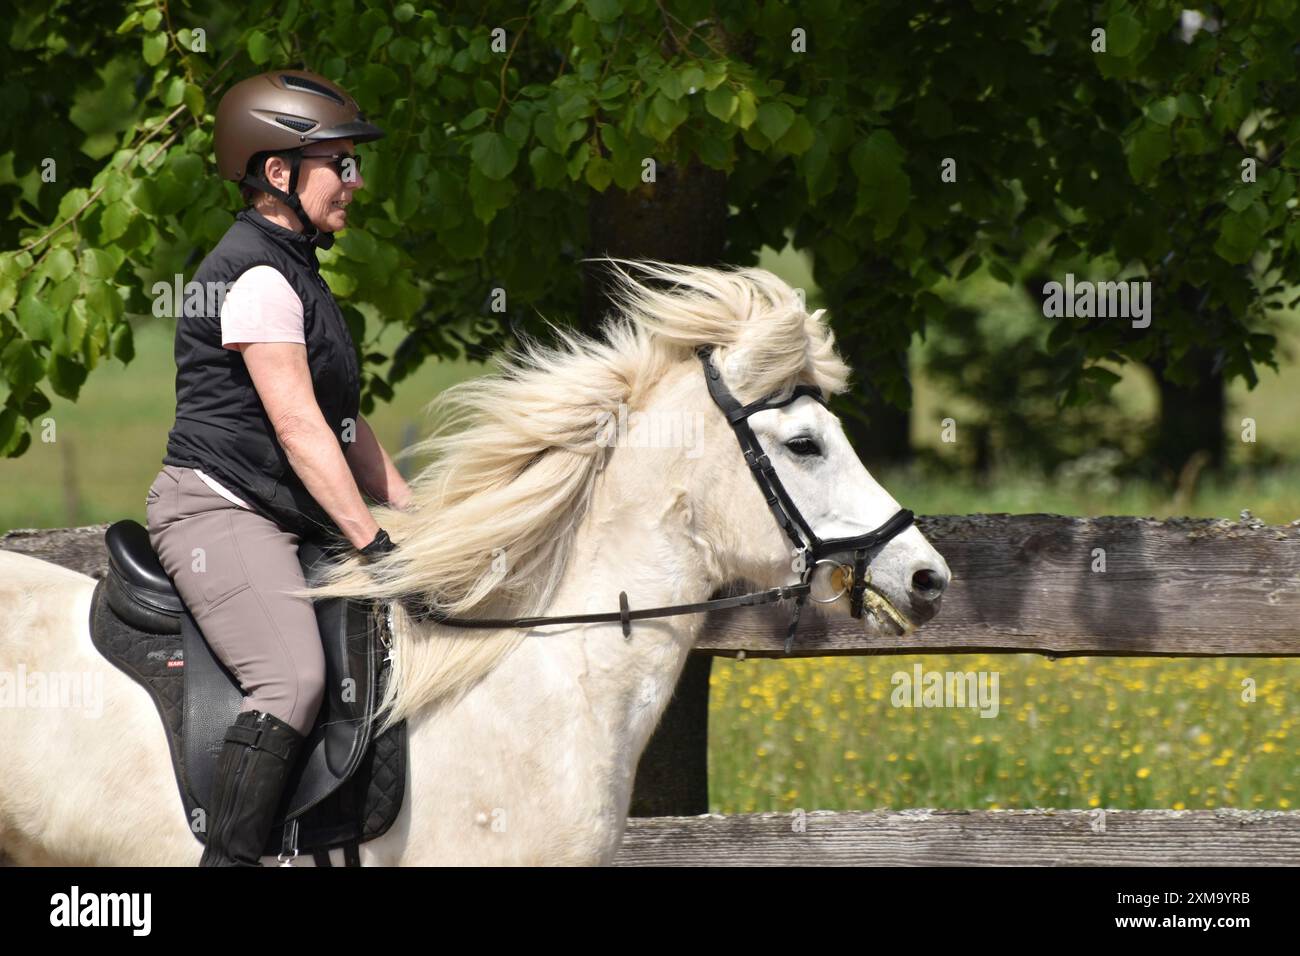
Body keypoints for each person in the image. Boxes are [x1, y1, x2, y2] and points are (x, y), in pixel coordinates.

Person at [144, 69, 411, 866]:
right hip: (219, 510)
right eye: (340, 165)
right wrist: (371, 544)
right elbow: (299, 431)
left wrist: (422, 518)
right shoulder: (256, 276)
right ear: (278, 172)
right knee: (292, 679)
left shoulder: (296, 269)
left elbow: (341, 422)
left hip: (271, 511)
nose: (353, 184)